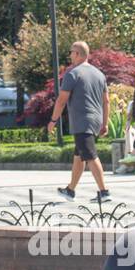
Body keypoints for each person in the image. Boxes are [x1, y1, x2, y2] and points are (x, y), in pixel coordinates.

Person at [48, 41, 111, 202]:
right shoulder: (99, 74)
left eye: (71, 52)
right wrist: (105, 123)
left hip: (82, 121)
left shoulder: (73, 74)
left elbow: (61, 101)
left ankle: (104, 192)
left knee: (90, 155)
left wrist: (53, 120)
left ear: (78, 54)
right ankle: (70, 190)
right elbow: (106, 101)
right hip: (95, 120)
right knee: (79, 155)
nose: (69, 55)